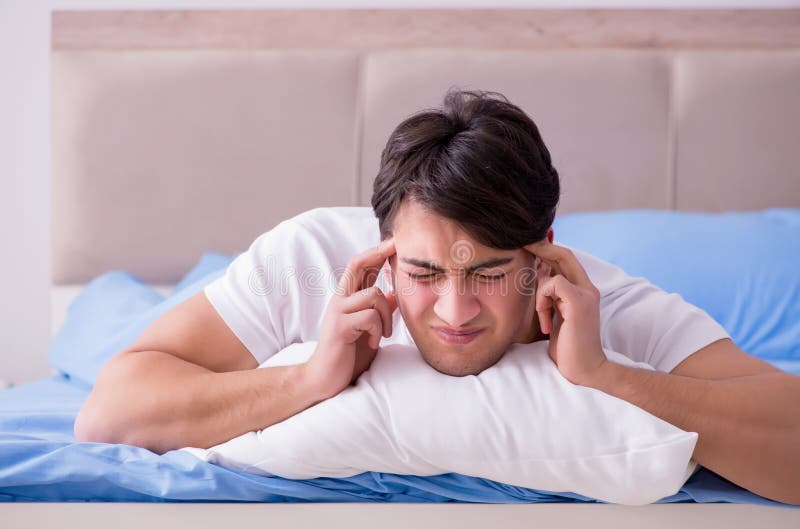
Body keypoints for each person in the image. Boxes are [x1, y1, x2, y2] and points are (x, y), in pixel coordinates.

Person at [74, 89, 800, 505]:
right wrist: (306, 380)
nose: (455, 314)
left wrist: (608, 378)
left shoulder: (605, 301)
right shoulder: (310, 257)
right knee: (99, 317)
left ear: (542, 247)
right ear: (383, 239)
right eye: (422, 274)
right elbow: (110, 411)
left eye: (488, 273)